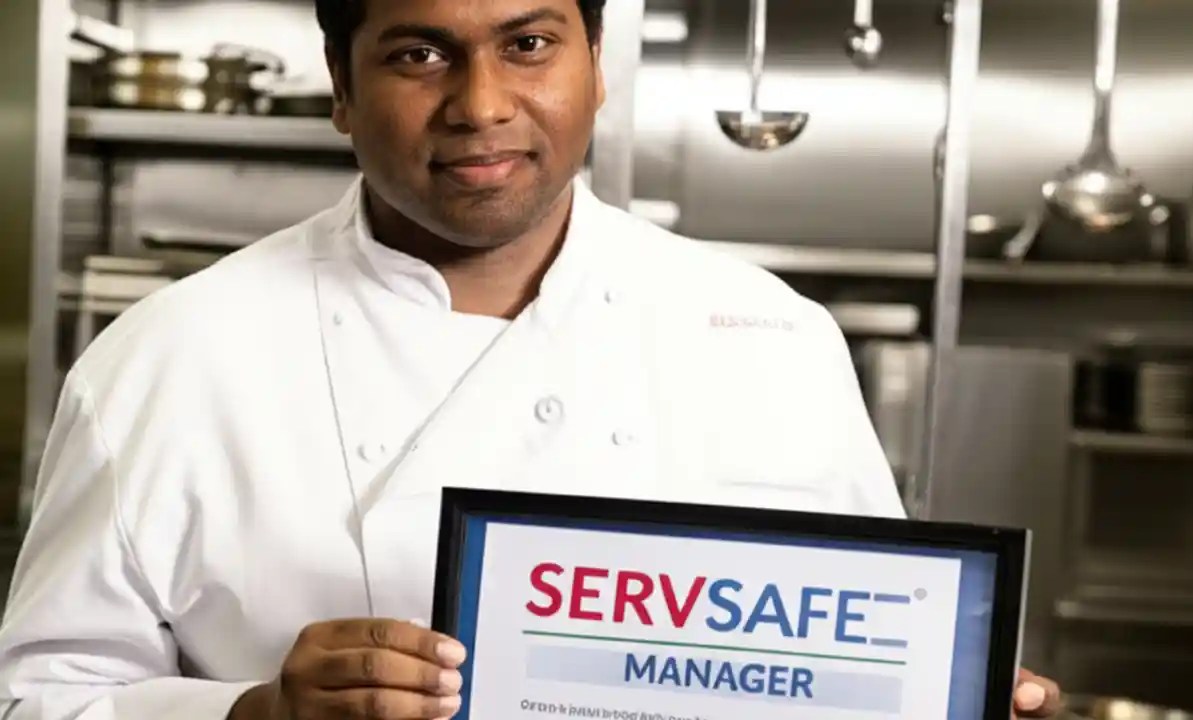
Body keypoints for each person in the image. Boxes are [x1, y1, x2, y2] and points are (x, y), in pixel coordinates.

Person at [0, 0, 1062, 718]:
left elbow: (856, 662)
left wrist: (956, 693)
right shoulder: (169, 358)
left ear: (597, 66)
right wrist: (252, 713)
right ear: (341, 88)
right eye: (418, 54)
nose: (480, 105)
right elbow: (41, 696)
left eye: (528, 43)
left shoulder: (771, 337)